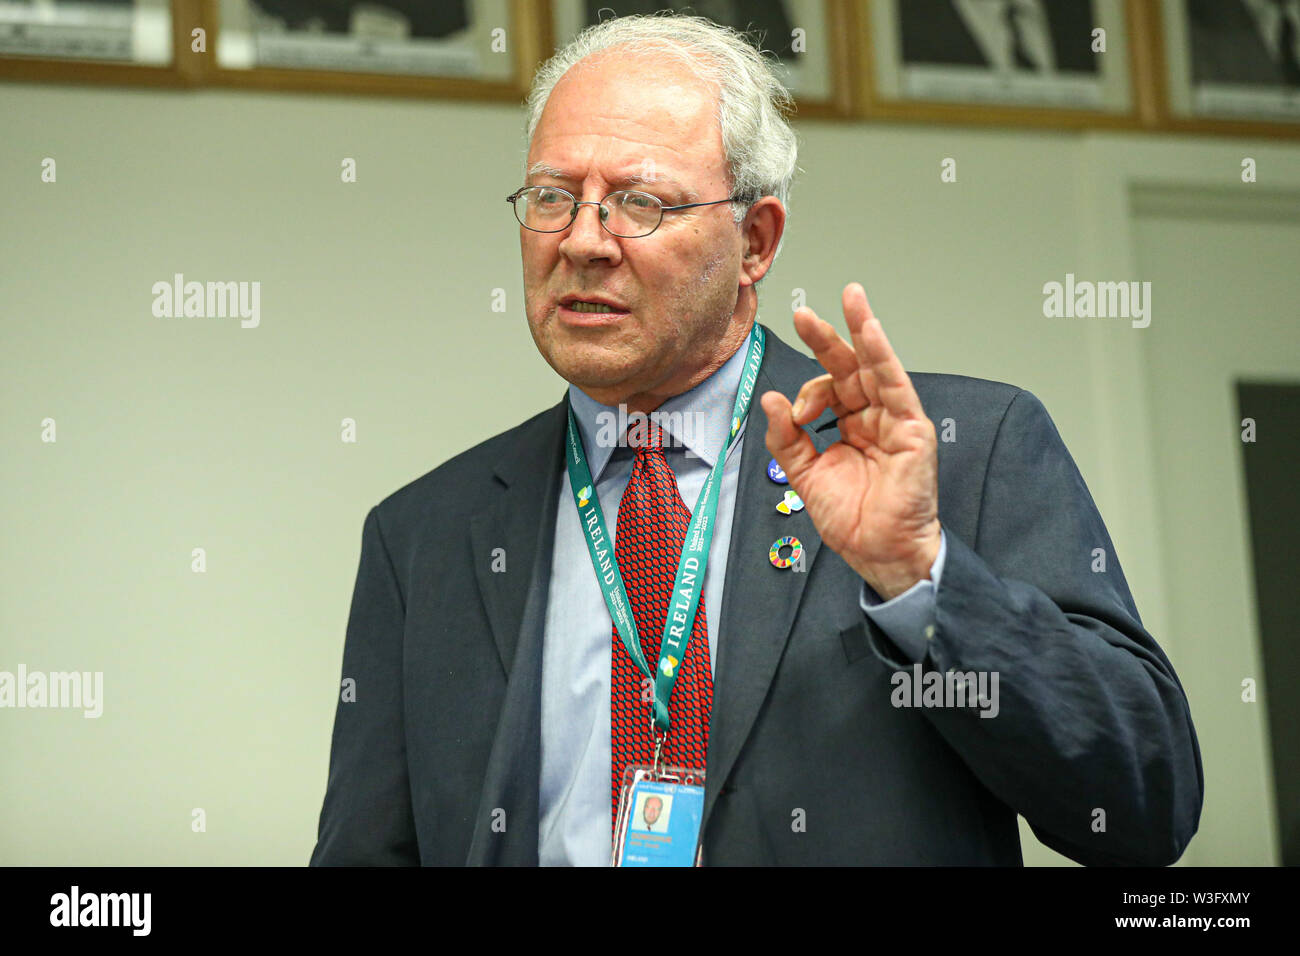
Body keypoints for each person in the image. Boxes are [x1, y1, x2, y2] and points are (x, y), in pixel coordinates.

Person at [309, 13, 1202, 867]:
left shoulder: (958, 452)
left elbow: (1143, 806)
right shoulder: (423, 534)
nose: (583, 240)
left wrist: (924, 576)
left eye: (639, 202)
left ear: (756, 240)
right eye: (552, 197)